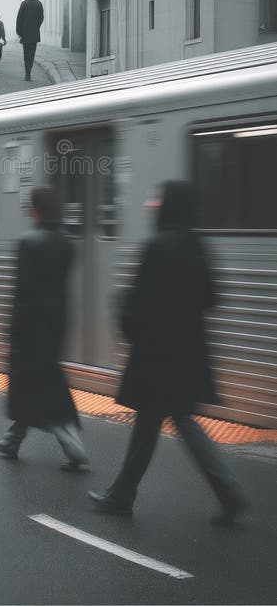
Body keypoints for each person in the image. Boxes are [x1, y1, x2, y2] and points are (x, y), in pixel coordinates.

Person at [89, 181, 247, 522]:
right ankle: (226, 492)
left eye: (159, 200)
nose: (154, 205)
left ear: (170, 206)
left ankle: (122, 496)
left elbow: (138, 302)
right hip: (188, 354)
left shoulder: (158, 246)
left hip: (157, 355)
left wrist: (128, 326)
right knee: (170, 423)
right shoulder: (198, 245)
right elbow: (213, 297)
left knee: (153, 426)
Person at [0, 187, 89, 470]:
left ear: (34, 210)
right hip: (57, 321)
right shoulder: (67, 243)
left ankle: (72, 444)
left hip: (30, 324)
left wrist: (11, 330)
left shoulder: (28, 242)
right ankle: (13, 439)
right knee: (39, 380)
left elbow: (22, 292)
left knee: (37, 383)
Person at [16, 0, 44, 81]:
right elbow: (41, 18)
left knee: (26, 54)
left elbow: (19, 19)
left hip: (25, 34)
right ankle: (29, 72)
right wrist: (36, 27)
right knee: (32, 54)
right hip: (34, 34)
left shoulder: (24, 3)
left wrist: (19, 32)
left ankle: (27, 73)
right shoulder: (39, 4)